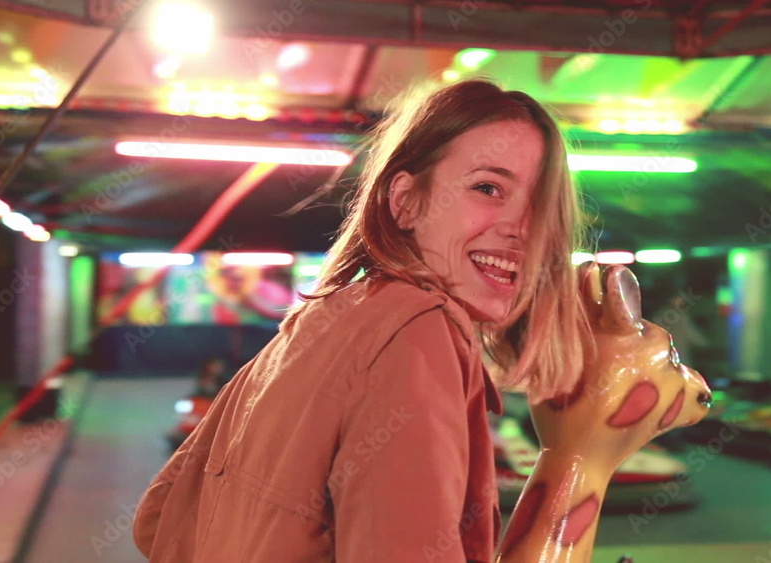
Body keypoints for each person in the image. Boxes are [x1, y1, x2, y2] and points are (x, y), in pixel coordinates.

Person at [133, 79, 591, 561]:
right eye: (487, 188)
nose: (521, 228)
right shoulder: (416, 332)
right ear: (406, 202)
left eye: (540, 204)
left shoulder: (322, 320)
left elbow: (160, 518)